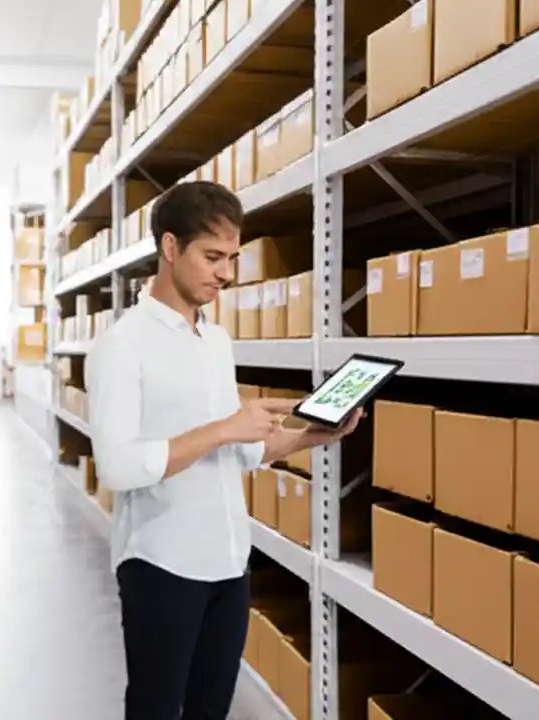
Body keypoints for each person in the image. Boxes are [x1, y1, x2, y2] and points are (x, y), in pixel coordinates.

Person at [85, 181, 361, 720]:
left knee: (212, 710)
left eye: (232, 258)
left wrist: (310, 436)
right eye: (213, 257)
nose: (226, 273)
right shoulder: (122, 346)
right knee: (155, 709)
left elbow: (241, 452)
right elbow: (118, 466)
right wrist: (223, 427)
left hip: (229, 563)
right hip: (162, 564)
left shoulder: (216, 341)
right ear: (170, 248)